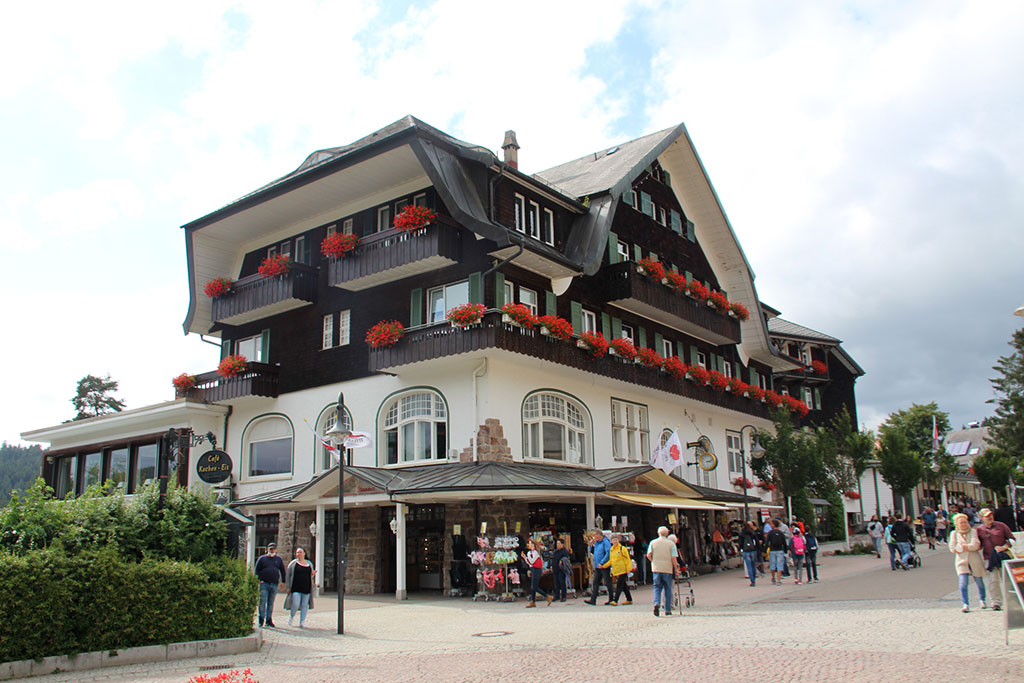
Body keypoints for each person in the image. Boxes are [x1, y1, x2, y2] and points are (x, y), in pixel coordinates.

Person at [976, 508, 1015, 612]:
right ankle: (996, 602)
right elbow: (978, 545)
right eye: (987, 516)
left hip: (1003, 556)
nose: (990, 518)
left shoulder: (1001, 526)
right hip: (989, 558)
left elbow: (1011, 539)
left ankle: (1012, 600)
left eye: (991, 515)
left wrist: (1004, 547)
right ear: (982, 518)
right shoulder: (979, 530)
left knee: (1007, 580)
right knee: (993, 581)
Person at [948, 513, 986, 612]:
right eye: (961, 523)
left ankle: (982, 599)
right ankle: (965, 604)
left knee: (979, 581)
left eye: (965, 522)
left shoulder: (973, 531)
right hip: (961, 561)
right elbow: (952, 548)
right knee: (963, 583)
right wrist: (964, 547)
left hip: (974, 559)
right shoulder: (954, 533)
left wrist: (963, 547)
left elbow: (975, 545)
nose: (964, 524)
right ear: (957, 524)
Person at [646, 526, 678, 616]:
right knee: (667, 588)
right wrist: (676, 569)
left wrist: (653, 561)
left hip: (656, 568)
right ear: (667, 533)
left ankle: (656, 603)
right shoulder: (671, 544)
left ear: (658, 533)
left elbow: (648, 555)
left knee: (657, 587)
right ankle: (667, 609)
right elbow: (673, 558)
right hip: (667, 568)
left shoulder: (653, 543)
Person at [254, 542, 286, 628]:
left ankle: (269, 619)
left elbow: (282, 570)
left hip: (274, 584)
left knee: (271, 603)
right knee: (262, 602)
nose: (272, 550)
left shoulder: (278, 559)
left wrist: (283, 581)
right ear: (267, 549)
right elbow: (256, 570)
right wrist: (258, 580)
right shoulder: (262, 559)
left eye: (273, 549)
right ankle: (261, 619)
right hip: (264, 583)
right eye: (270, 549)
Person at [284, 547, 316, 628]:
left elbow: (310, 574)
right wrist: (287, 587)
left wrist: (312, 573)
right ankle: (292, 616)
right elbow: (288, 575)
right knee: (296, 603)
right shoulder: (293, 563)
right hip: (296, 587)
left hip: (306, 587)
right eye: (297, 552)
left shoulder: (309, 563)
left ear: (304, 553)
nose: (299, 554)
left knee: (305, 605)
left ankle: (302, 621)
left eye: (300, 552)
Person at [584, 531, 614, 606]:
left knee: (607, 582)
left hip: (604, 565)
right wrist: (590, 546)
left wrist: (602, 562)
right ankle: (593, 599)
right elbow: (593, 552)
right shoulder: (597, 543)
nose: (594, 537)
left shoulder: (605, 542)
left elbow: (608, 553)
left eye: (595, 535)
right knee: (595, 582)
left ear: (599, 535)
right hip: (598, 565)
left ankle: (611, 598)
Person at [521, 539, 553, 608]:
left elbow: (531, 562)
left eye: (529, 543)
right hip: (533, 569)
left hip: (537, 570)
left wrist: (526, 557)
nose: (528, 545)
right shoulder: (530, 553)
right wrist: (525, 558)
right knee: (533, 587)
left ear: (533, 544)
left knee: (534, 587)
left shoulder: (535, 552)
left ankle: (547, 596)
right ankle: (533, 601)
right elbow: (530, 563)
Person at [608, 535, 633, 605]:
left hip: (623, 570)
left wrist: (629, 569)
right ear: (611, 541)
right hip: (617, 570)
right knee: (623, 585)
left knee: (619, 585)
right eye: (613, 540)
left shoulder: (623, 548)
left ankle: (615, 600)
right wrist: (604, 565)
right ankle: (629, 599)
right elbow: (611, 560)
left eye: (616, 540)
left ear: (618, 540)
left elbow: (627, 559)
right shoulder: (612, 550)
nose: (615, 541)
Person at [738, 520, 762, 587]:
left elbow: (740, 543)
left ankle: (752, 580)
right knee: (753, 565)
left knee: (749, 566)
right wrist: (760, 549)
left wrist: (741, 549)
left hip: (746, 551)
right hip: (753, 550)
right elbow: (757, 542)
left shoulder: (741, 533)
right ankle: (754, 577)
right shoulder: (752, 533)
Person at [765, 519, 788, 586]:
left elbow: (767, 542)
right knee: (780, 565)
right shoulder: (781, 533)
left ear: (773, 525)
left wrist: (764, 550)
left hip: (772, 550)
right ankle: (779, 580)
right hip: (780, 550)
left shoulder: (770, 533)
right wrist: (785, 550)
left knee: (773, 564)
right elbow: (784, 542)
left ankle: (773, 577)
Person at [551, 537, 570, 602]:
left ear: (562, 544)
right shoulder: (556, 551)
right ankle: (557, 596)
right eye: (557, 544)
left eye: (559, 544)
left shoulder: (565, 551)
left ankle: (564, 597)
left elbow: (566, 559)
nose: (557, 545)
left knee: (562, 583)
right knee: (556, 584)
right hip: (555, 569)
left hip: (561, 570)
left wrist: (562, 561)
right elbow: (553, 559)